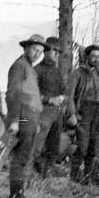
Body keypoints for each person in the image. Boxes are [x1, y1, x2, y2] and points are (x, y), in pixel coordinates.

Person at [5, 34, 46, 198]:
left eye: (40, 52)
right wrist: (14, 121)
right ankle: (15, 195)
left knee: (25, 156)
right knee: (20, 156)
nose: (37, 54)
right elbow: (13, 94)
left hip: (31, 118)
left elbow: (32, 96)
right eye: (35, 50)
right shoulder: (19, 66)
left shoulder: (30, 69)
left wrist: (36, 121)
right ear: (26, 48)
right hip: (23, 116)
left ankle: (19, 193)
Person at [67, 44, 99, 184]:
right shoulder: (77, 73)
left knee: (93, 146)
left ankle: (87, 179)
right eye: (93, 56)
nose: (96, 59)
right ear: (86, 57)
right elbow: (70, 95)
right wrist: (72, 114)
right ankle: (73, 178)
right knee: (82, 146)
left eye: (98, 57)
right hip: (84, 112)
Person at [32, 36, 71, 177]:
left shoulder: (57, 71)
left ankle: (48, 172)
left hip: (57, 114)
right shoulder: (36, 70)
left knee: (53, 145)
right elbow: (32, 94)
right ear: (46, 51)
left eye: (58, 52)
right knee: (36, 145)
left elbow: (64, 90)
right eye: (54, 51)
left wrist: (63, 98)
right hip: (42, 113)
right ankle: (32, 173)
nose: (56, 54)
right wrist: (49, 100)